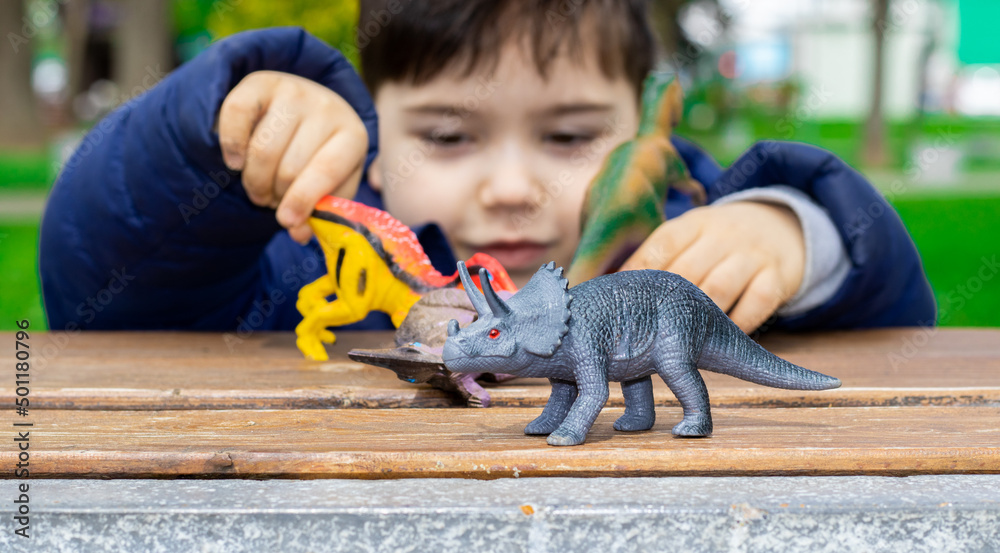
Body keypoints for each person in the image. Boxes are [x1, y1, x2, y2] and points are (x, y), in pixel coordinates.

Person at [39, 0, 935, 339]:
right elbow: (103, 292)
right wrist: (218, 146)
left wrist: (792, 235)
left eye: (571, 135)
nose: (511, 187)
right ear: (373, 139)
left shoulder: (681, 223)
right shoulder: (309, 247)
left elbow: (893, 315)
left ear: (643, 126)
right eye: (451, 137)